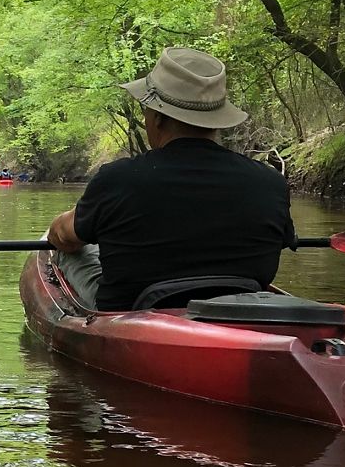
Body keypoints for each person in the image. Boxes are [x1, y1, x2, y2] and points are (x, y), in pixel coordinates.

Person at [45, 47, 294, 311]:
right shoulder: (270, 183)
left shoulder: (118, 179)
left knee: (67, 250)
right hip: (240, 308)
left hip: (130, 312)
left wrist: (59, 227)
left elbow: (63, 236)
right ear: (216, 121)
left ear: (158, 118)